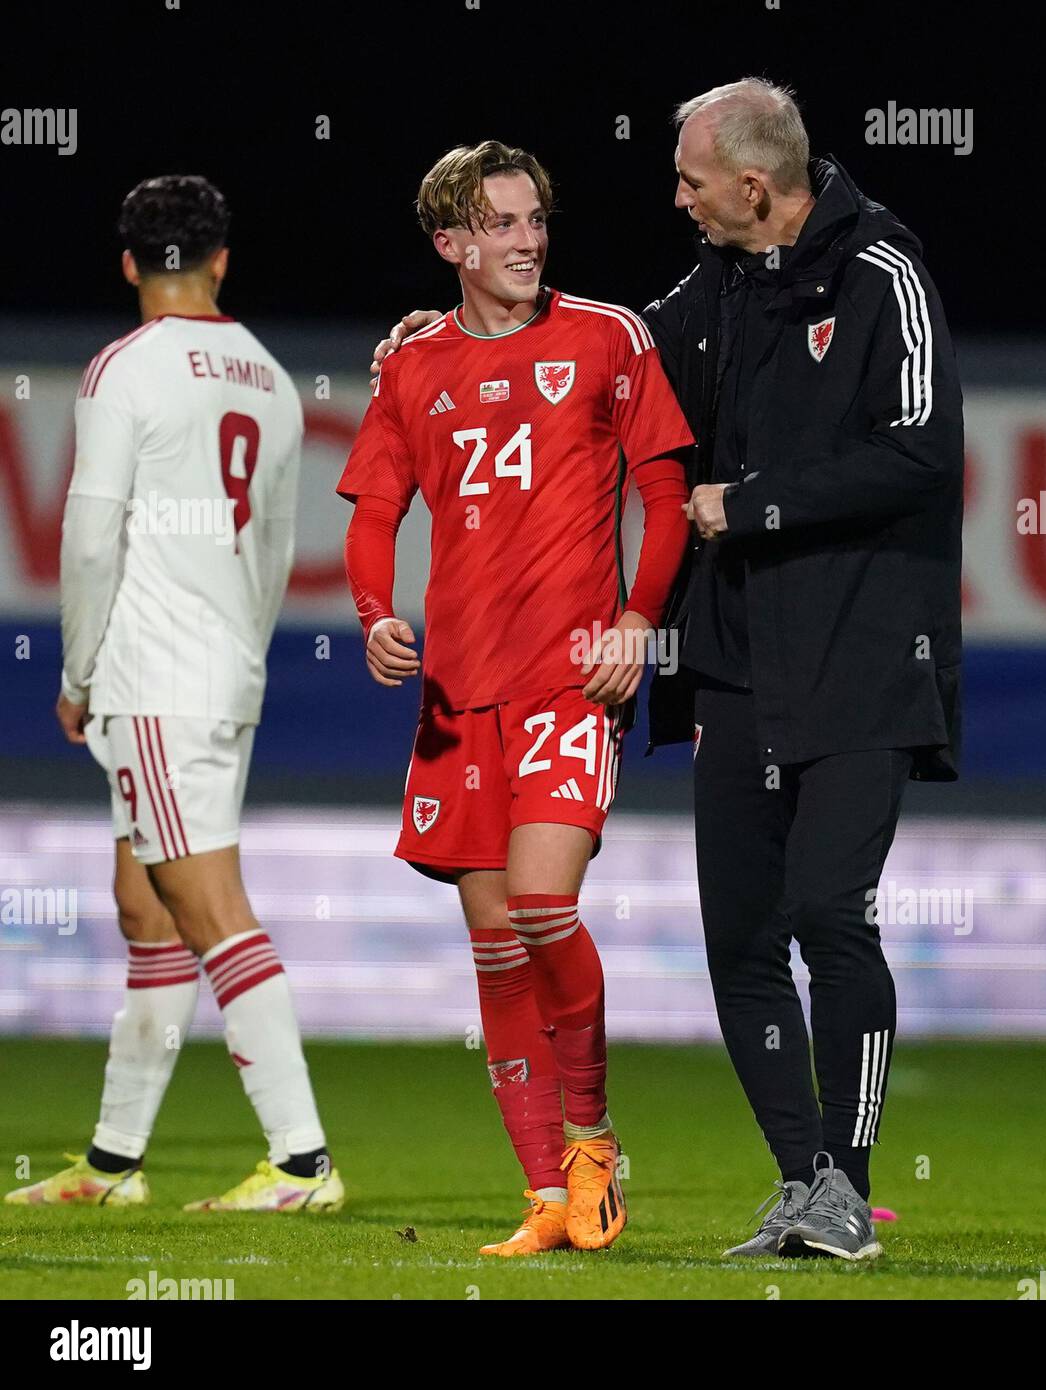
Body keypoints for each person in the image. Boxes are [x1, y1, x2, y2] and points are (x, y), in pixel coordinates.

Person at [372, 78, 963, 1262]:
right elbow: (597, 352)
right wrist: (444, 334)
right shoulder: (711, 292)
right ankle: (799, 1185)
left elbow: (919, 450)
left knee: (825, 915)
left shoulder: (881, 271)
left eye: (690, 179)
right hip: (734, 660)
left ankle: (843, 1182)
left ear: (753, 184)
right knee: (739, 941)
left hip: (857, 654)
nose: (675, 196)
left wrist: (748, 504)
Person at [339, 141, 691, 1255]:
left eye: (534, 218)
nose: (527, 240)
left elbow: (666, 491)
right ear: (450, 243)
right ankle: (548, 1192)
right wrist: (371, 611)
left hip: (567, 679)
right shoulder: (410, 365)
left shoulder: (606, 337)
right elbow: (371, 507)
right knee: (493, 945)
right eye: (499, 223)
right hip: (457, 692)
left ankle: (591, 1142)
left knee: (543, 907)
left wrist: (638, 621)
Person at [6, 175, 343, 1214]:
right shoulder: (274, 381)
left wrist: (77, 672)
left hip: (154, 675)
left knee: (209, 913)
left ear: (125, 263)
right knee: (145, 912)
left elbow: (89, 528)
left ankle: (301, 1163)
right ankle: (113, 1164)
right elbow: (281, 546)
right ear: (222, 260)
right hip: (222, 670)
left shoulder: (125, 368)